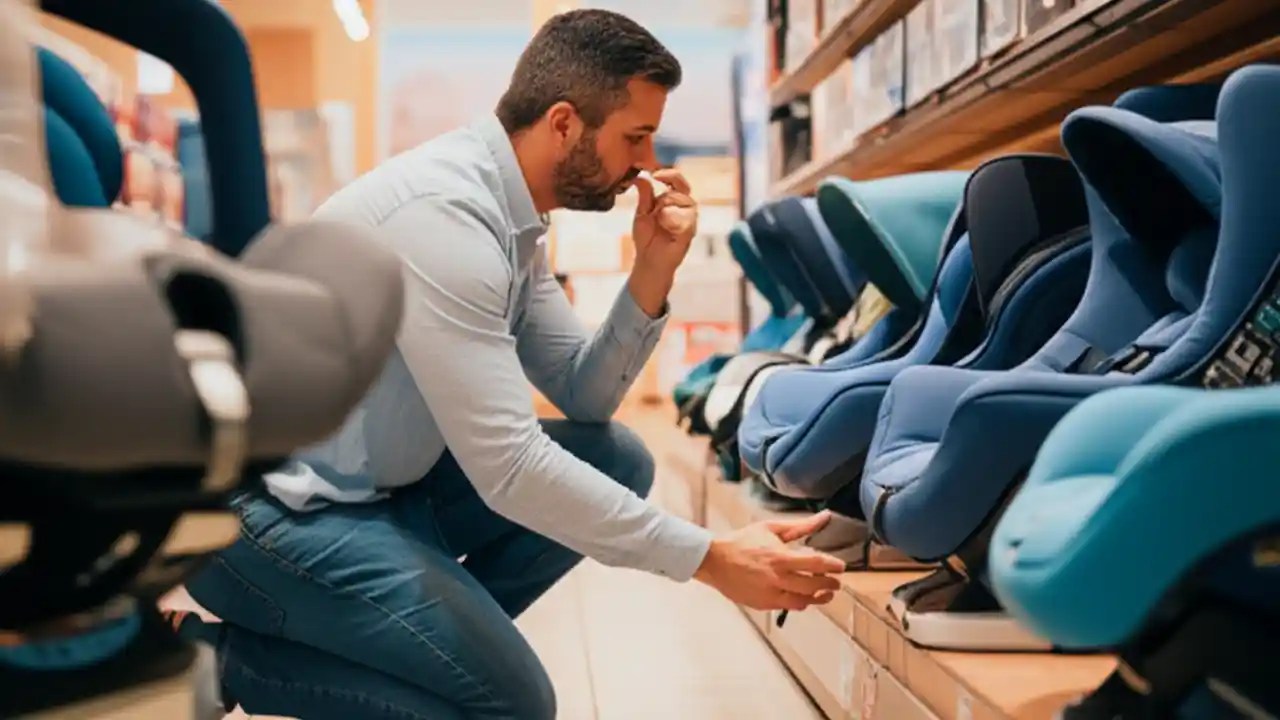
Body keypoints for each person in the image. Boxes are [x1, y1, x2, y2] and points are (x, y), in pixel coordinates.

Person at [176, 9, 846, 720]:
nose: (647, 163)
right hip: (266, 518)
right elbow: (510, 466)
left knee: (615, 458)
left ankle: (414, 652)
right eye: (634, 137)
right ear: (564, 124)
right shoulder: (447, 219)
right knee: (513, 705)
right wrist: (711, 558)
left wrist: (653, 268)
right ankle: (219, 662)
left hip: (374, 492)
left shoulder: (514, 221)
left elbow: (585, 402)